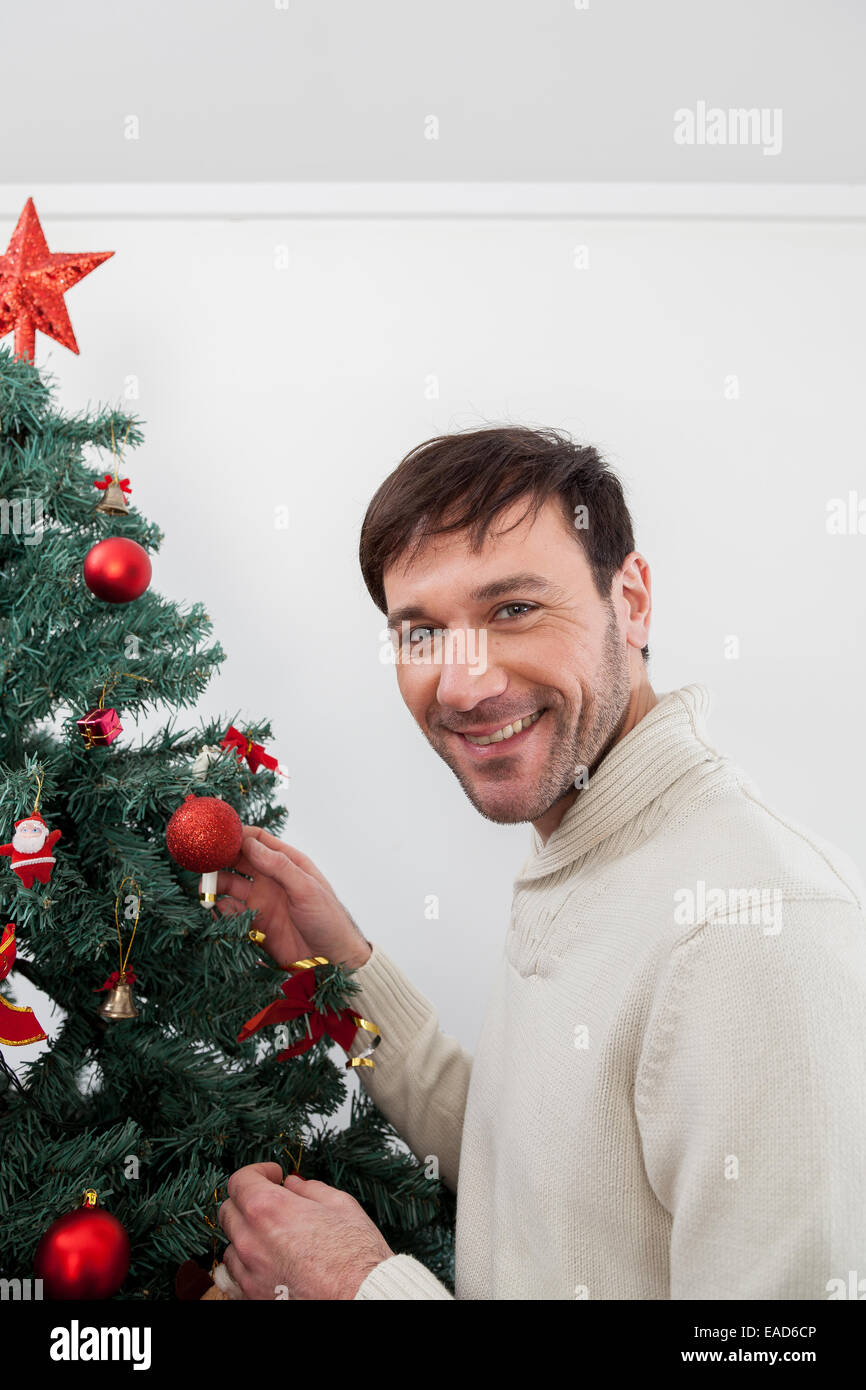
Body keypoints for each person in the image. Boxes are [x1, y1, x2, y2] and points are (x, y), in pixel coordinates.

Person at [214, 426, 866, 1300]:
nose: (465, 685)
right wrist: (351, 976)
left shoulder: (747, 935)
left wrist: (362, 1288)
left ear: (630, 600)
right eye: (421, 632)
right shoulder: (596, 843)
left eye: (513, 609)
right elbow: (549, 1181)